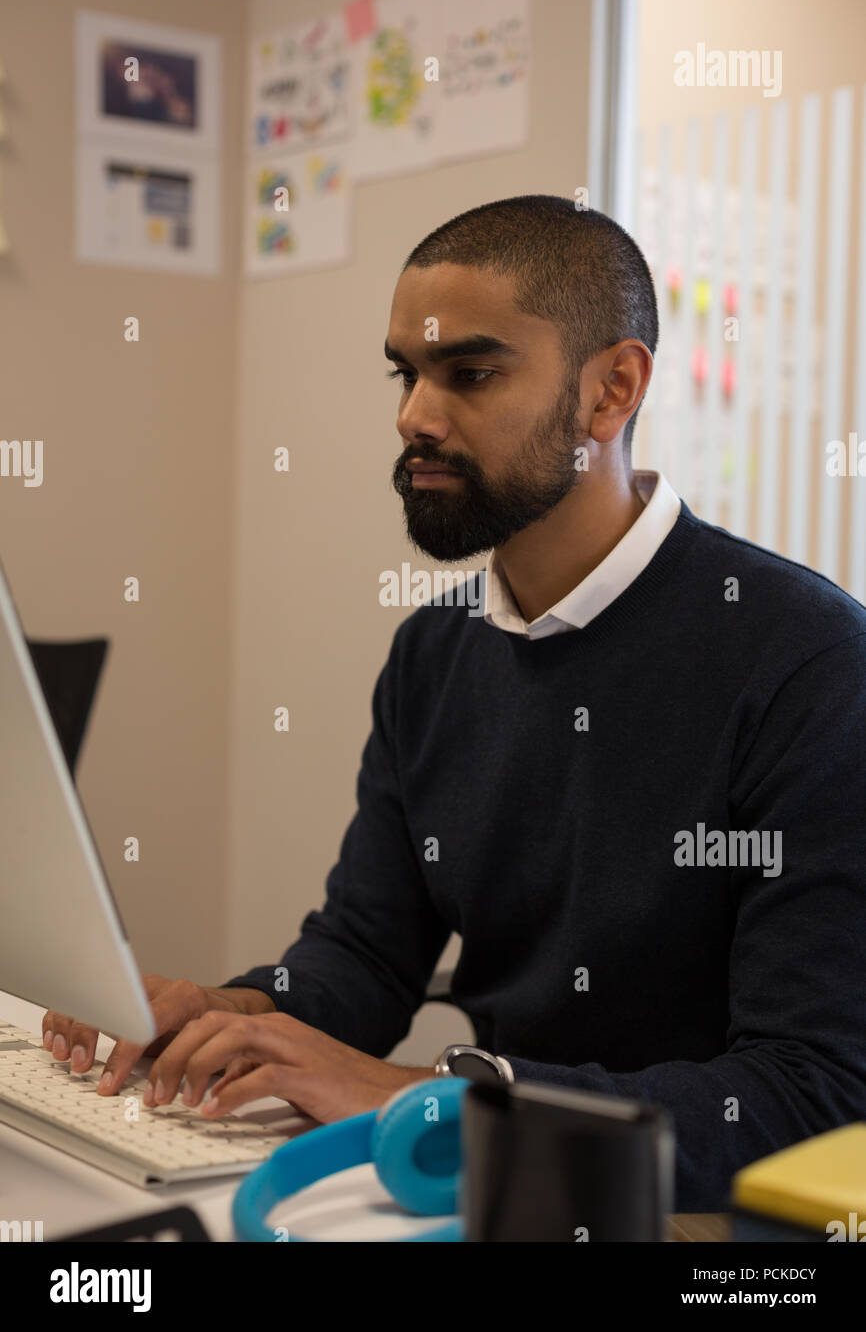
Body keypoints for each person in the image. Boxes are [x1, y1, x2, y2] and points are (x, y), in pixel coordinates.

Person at [42, 196, 866, 1211]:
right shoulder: (433, 650)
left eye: (467, 373)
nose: (413, 417)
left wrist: (434, 1096)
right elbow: (366, 955)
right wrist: (232, 1008)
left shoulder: (807, 658)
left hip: (696, 1218)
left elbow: (807, 1093)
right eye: (406, 372)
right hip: (498, 1186)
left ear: (612, 389)